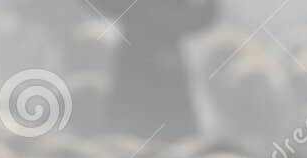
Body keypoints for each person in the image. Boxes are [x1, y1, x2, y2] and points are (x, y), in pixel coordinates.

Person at [89, 0, 218, 140]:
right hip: (157, 66)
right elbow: (198, 17)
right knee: (172, 132)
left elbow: (199, 17)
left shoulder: (136, 8)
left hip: (145, 65)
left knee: (129, 133)